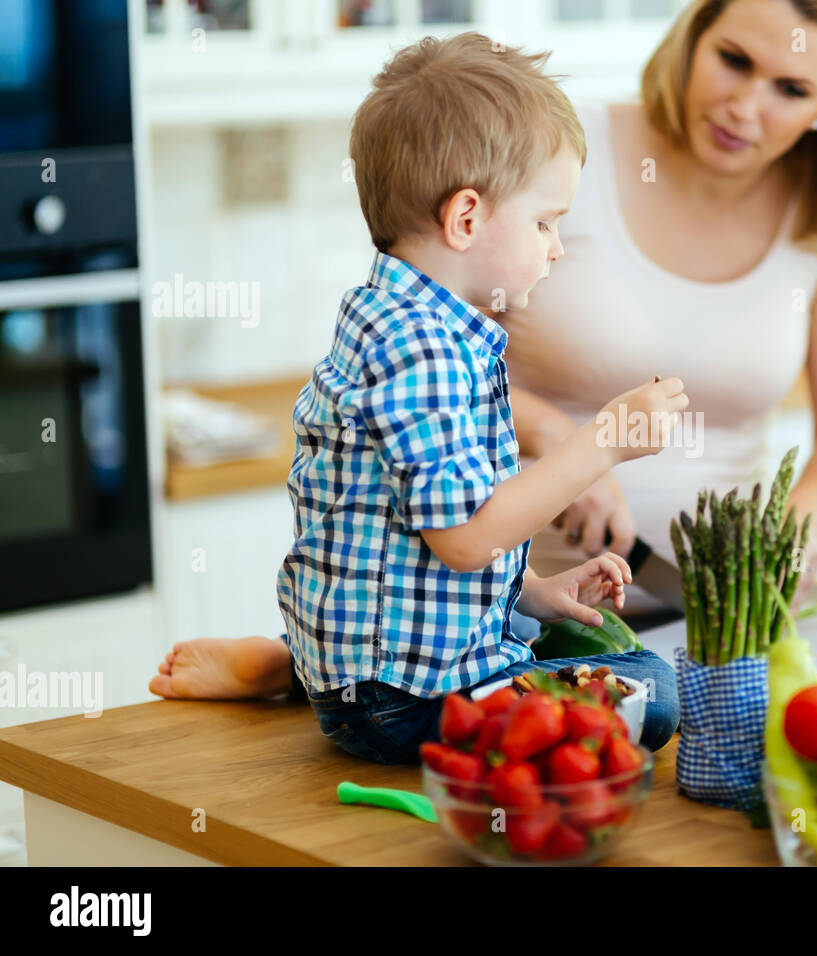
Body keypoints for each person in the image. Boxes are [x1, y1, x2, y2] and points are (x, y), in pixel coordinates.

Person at [150, 33, 688, 762]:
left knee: (565, 644)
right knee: (657, 690)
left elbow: (423, 536)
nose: (557, 246)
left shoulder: (392, 316)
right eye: (545, 222)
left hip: (381, 670)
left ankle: (293, 665)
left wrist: (534, 592)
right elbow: (465, 541)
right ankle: (304, 677)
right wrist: (605, 441)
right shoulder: (427, 352)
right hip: (404, 703)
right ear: (465, 219)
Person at [503, 0, 817, 614]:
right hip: (511, 612)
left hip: (715, 624)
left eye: (790, 89)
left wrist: (790, 532)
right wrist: (561, 440)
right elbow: (424, 366)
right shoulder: (559, 152)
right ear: (693, 37)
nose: (744, 107)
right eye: (734, 61)